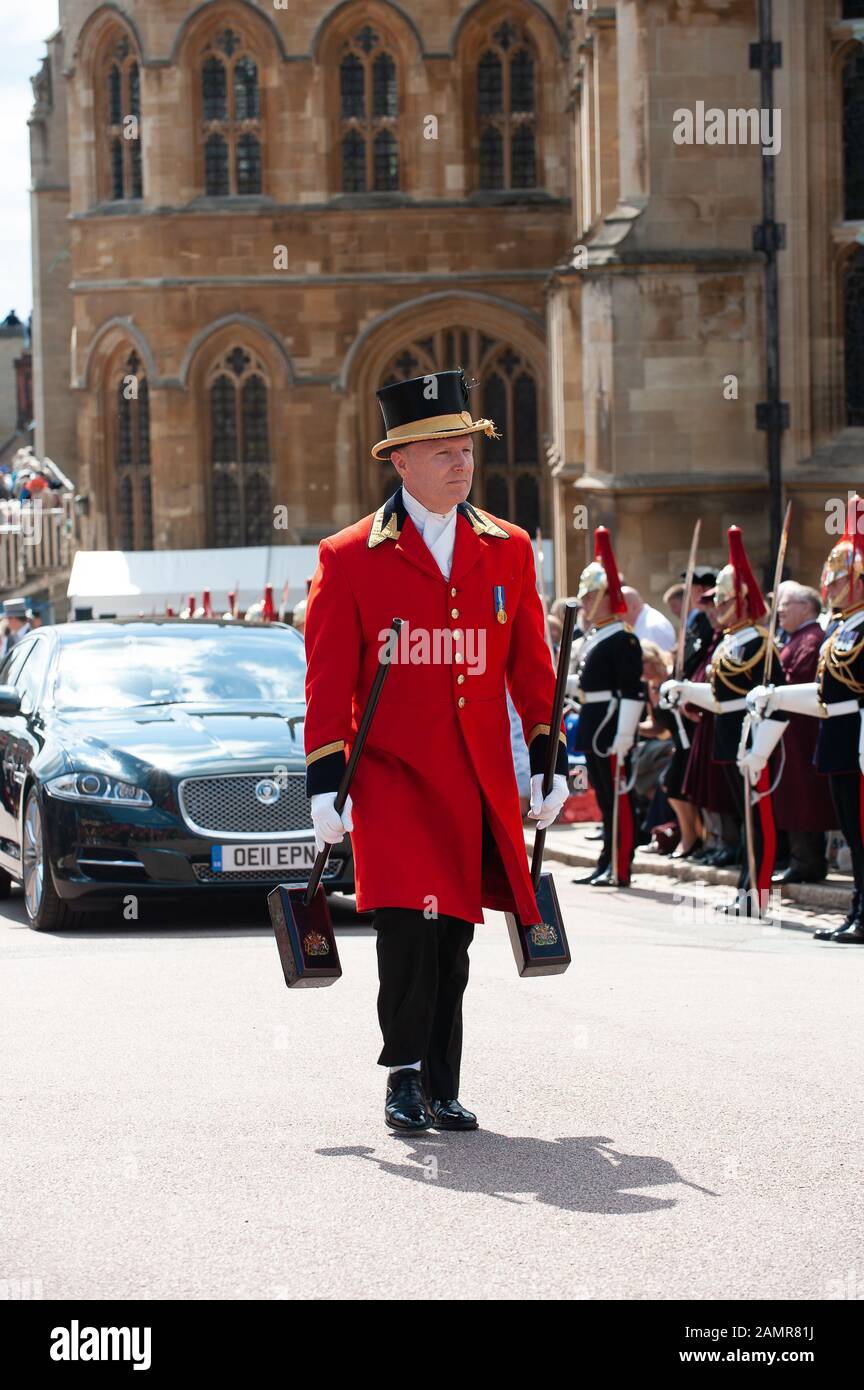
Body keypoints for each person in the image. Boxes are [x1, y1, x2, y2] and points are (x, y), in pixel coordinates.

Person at [303, 369, 569, 1133]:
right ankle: (403, 1074)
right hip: (389, 779)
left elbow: (531, 669)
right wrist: (325, 784)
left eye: (466, 449)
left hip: (473, 780)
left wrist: (549, 766)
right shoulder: (349, 557)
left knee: (453, 933)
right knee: (405, 927)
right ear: (401, 461)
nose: (462, 463)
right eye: (445, 451)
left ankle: (443, 1083)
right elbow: (325, 682)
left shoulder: (509, 550)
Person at [749, 496, 864, 942]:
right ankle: (858, 908)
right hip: (835, 741)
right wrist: (777, 695)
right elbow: (823, 693)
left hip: (857, 739)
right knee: (854, 835)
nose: (831, 585)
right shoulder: (840, 628)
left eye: (840, 577)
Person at [661, 527, 785, 914]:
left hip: (749, 737)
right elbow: (718, 697)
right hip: (726, 733)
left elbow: (771, 701)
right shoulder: (731, 641)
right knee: (740, 816)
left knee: (755, 819)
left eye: (727, 599)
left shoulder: (760, 642)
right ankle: (745, 889)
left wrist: (760, 750)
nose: (719, 607)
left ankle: (757, 892)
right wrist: (684, 690)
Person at [567, 527, 644, 887]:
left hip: (611, 725)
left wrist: (625, 735)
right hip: (593, 720)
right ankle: (605, 861)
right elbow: (587, 684)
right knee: (605, 799)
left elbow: (632, 691)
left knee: (619, 801)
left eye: (589, 597)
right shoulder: (596, 637)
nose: (583, 604)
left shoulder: (624, 638)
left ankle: (619, 865)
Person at [769, 582, 834, 885]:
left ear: (806, 607)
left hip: (803, 730)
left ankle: (807, 860)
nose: (779, 610)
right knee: (791, 796)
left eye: (787, 604)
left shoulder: (811, 639)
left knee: (803, 797)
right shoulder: (794, 638)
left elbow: (799, 678)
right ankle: (797, 857)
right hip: (789, 731)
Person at [622, 585, 676, 650]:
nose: (615, 613)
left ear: (634, 606)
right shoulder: (641, 624)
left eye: (620, 608)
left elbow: (663, 658)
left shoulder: (654, 627)